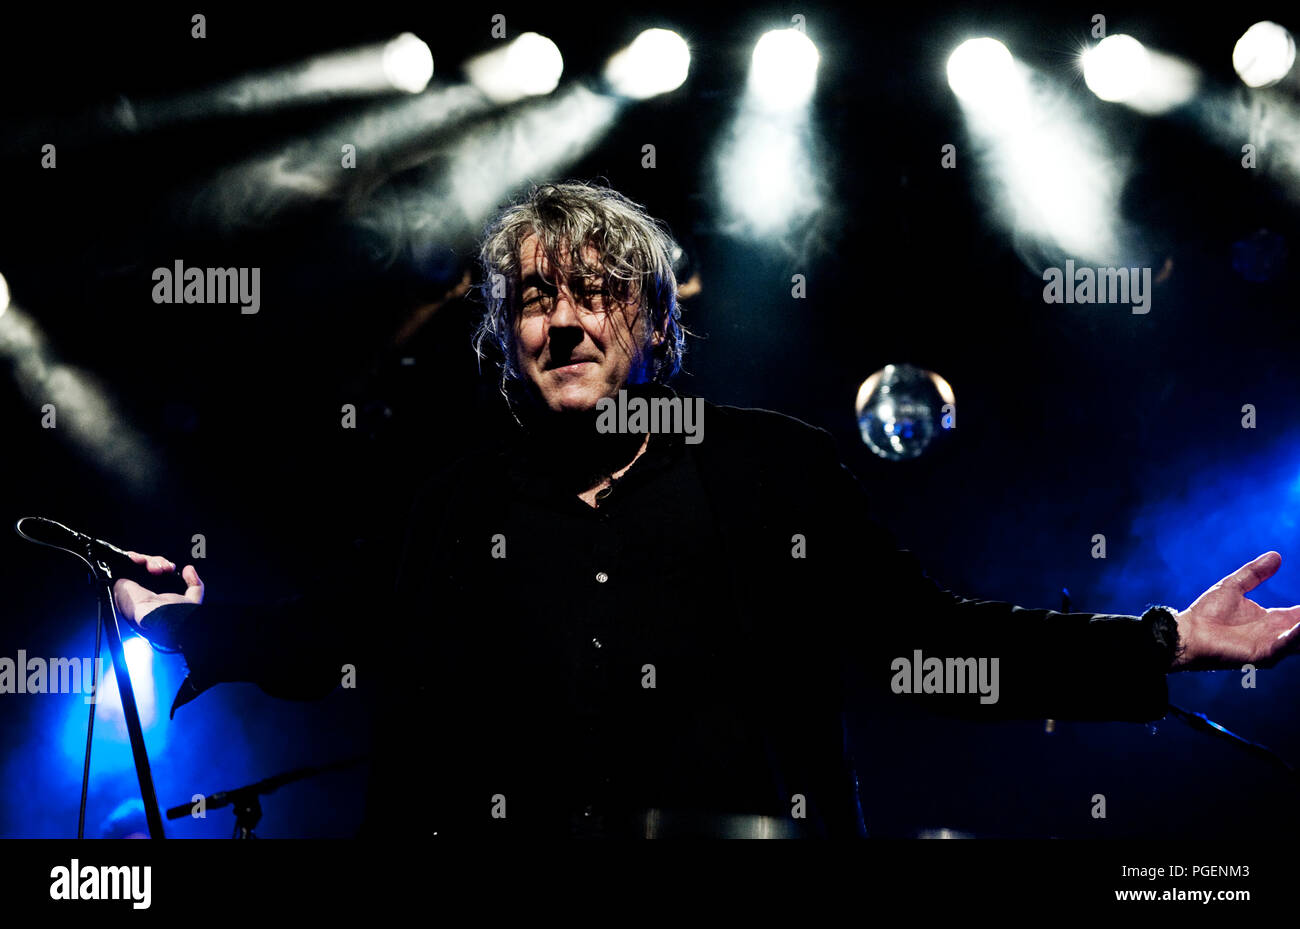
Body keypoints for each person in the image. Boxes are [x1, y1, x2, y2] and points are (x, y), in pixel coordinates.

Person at [113, 181, 1300, 838]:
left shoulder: (768, 469)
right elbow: (340, 640)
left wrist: (1160, 640)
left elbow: (931, 645)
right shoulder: (456, 504)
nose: (562, 320)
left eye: (593, 291)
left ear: (652, 322)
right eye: (534, 299)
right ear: (506, 335)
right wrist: (191, 622)